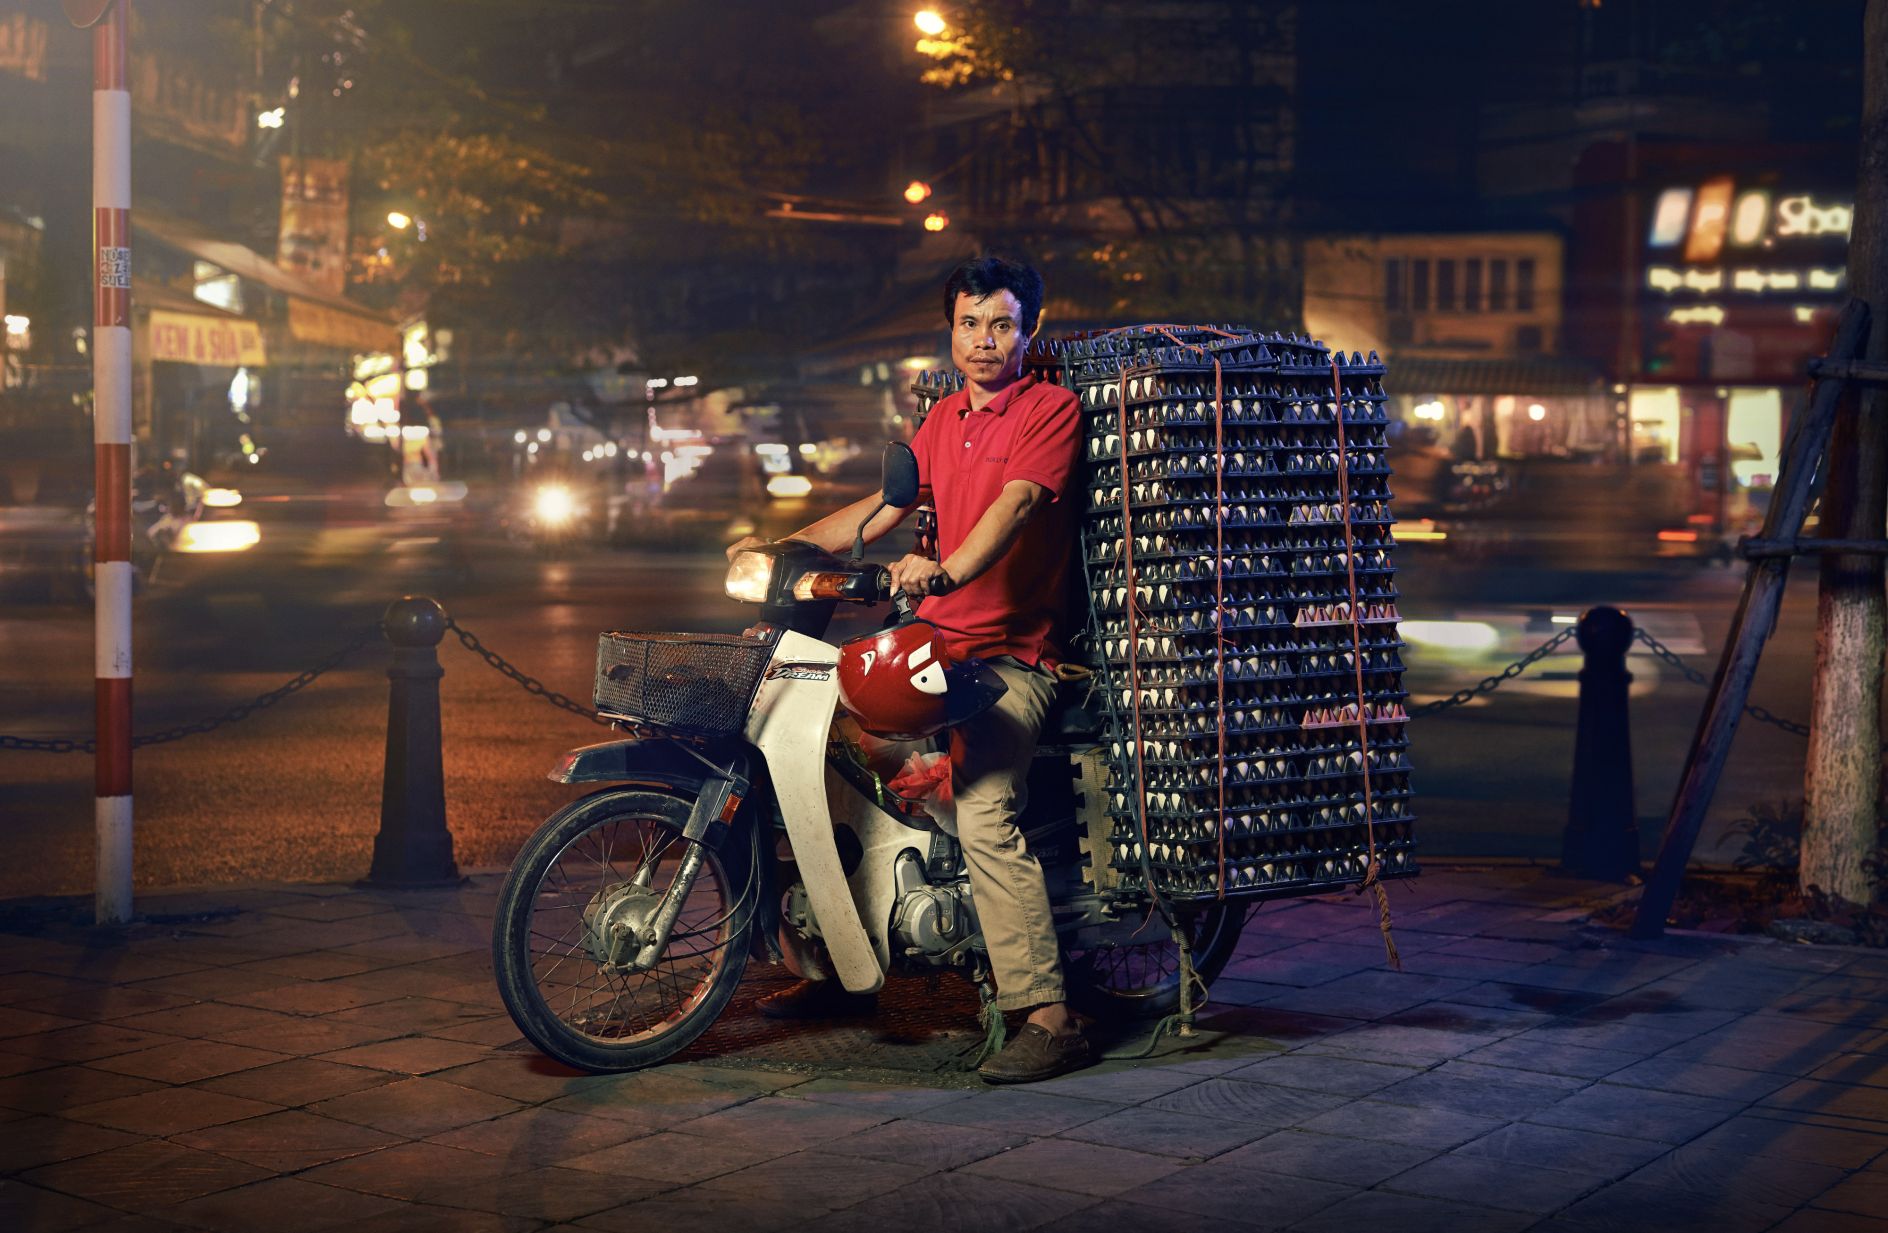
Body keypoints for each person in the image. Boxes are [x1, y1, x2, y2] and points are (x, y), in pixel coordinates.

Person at [725, 254, 1088, 1083]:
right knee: (830, 750)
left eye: (1001, 323)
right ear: (951, 330)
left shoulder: (1049, 411)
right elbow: (887, 505)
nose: (984, 340)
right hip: (932, 643)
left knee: (983, 803)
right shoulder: (946, 419)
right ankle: (845, 967)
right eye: (969, 323)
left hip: (1010, 656)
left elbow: (1018, 504)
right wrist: (789, 546)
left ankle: (1049, 1013)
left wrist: (949, 570)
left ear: (1029, 328)